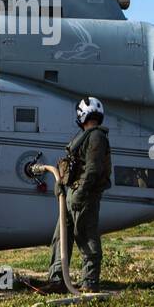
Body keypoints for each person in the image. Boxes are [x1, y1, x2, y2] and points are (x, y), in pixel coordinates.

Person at [46, 96, 111, 292]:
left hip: (84, 195)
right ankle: (57, 280)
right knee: (61, 236)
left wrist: (81, 193)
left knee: (86, 236)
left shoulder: (96, 137)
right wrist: (61, 185)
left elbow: (92, 169)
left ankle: (90, 283)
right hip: (71, 193)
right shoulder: (86, 136)